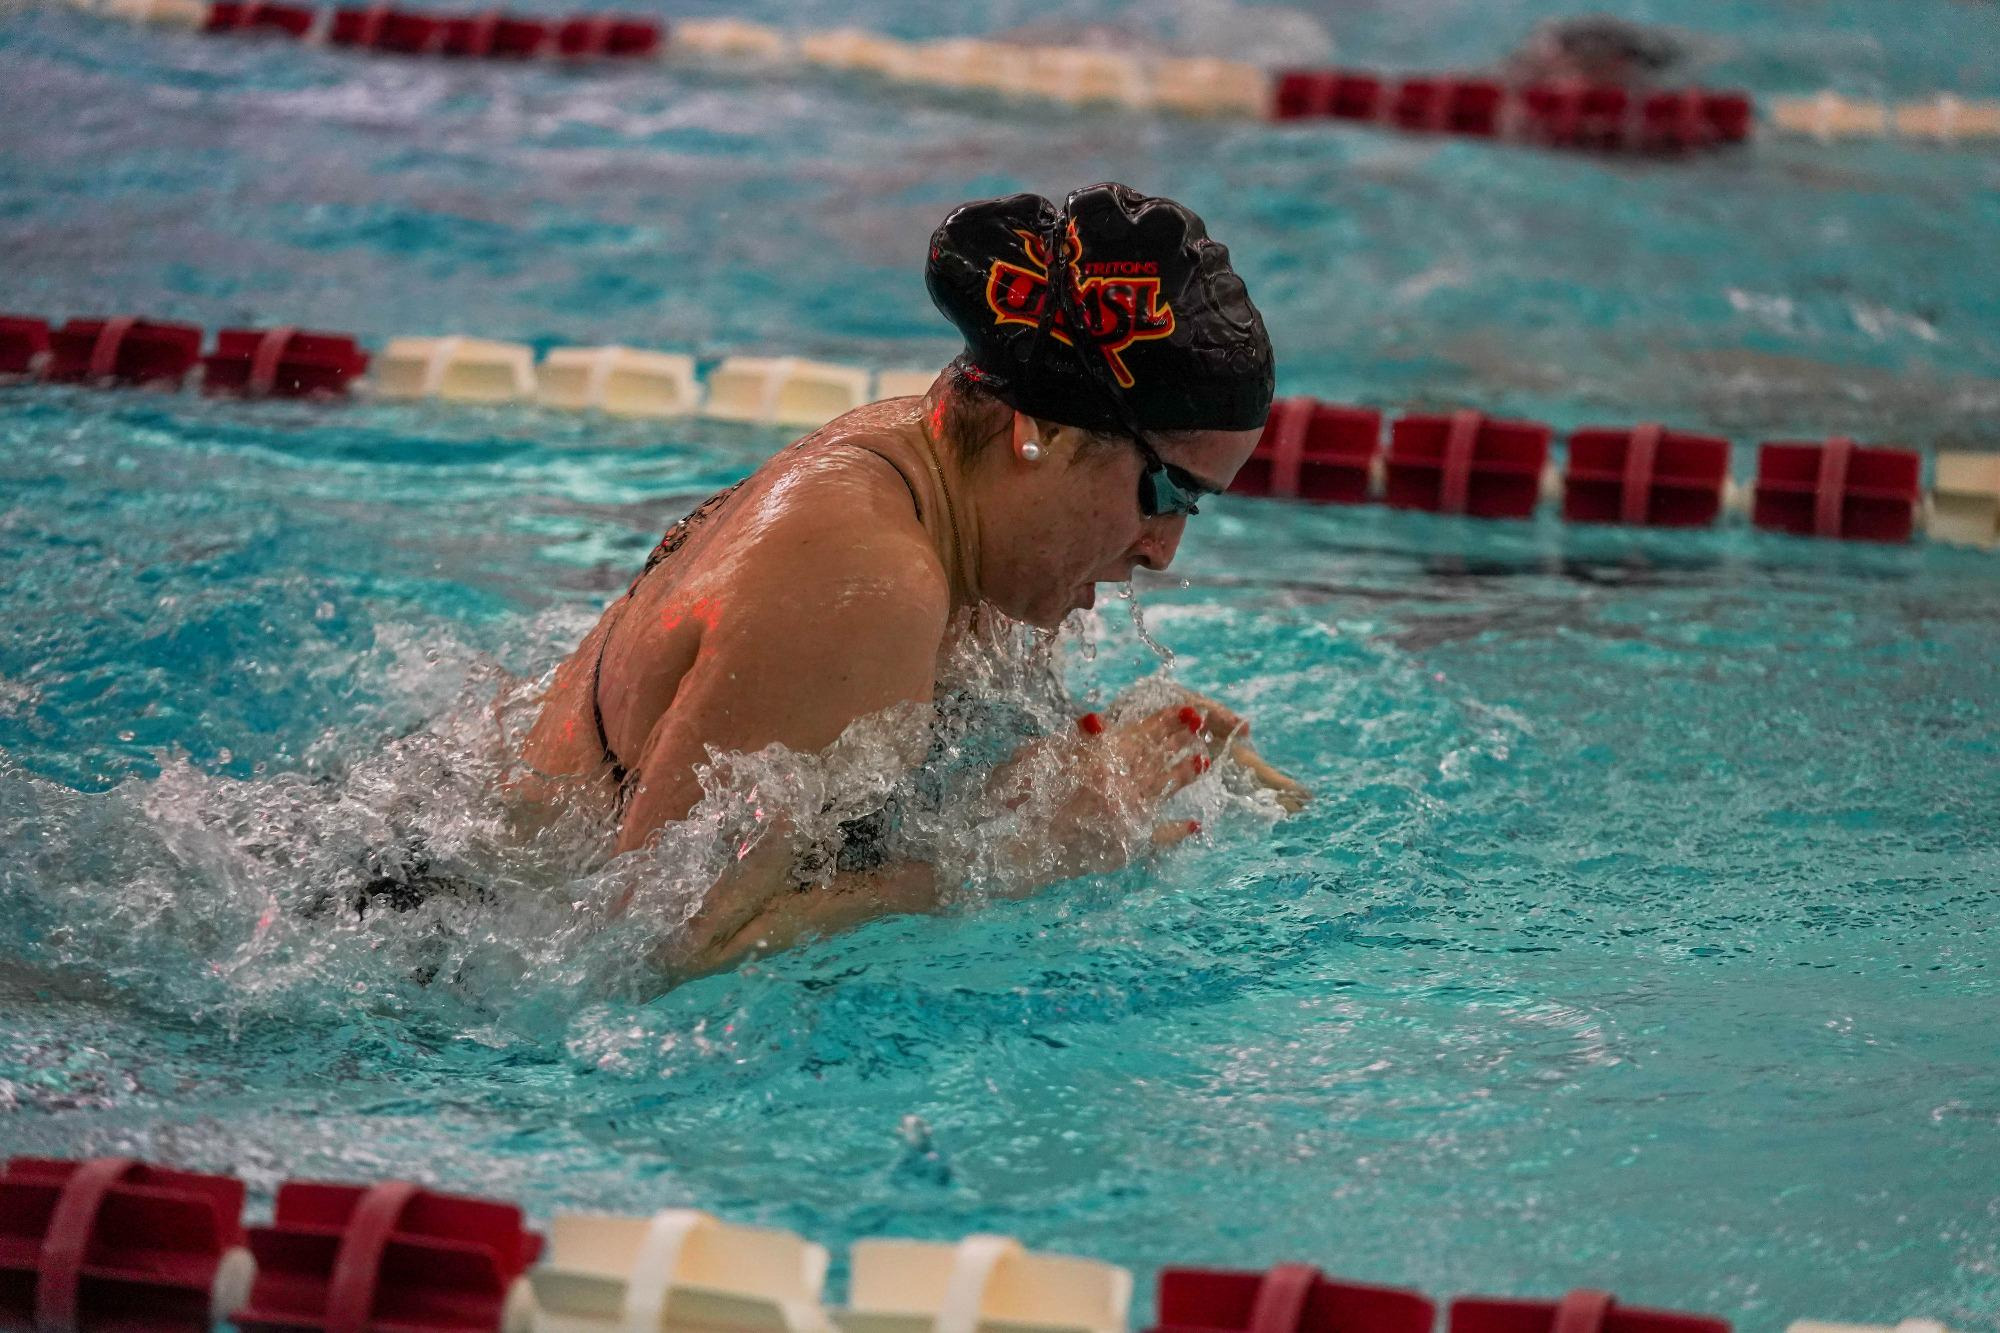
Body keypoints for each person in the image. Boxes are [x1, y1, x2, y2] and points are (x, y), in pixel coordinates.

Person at [515, 182, 1304, 976]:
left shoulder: (965, 513)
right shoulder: (865, 577)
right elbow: (652, 955)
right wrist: (1019, 855)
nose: (1164, 551)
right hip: (483, 948)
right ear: (1044, 433)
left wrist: (1102, 765)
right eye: (1167, 491)